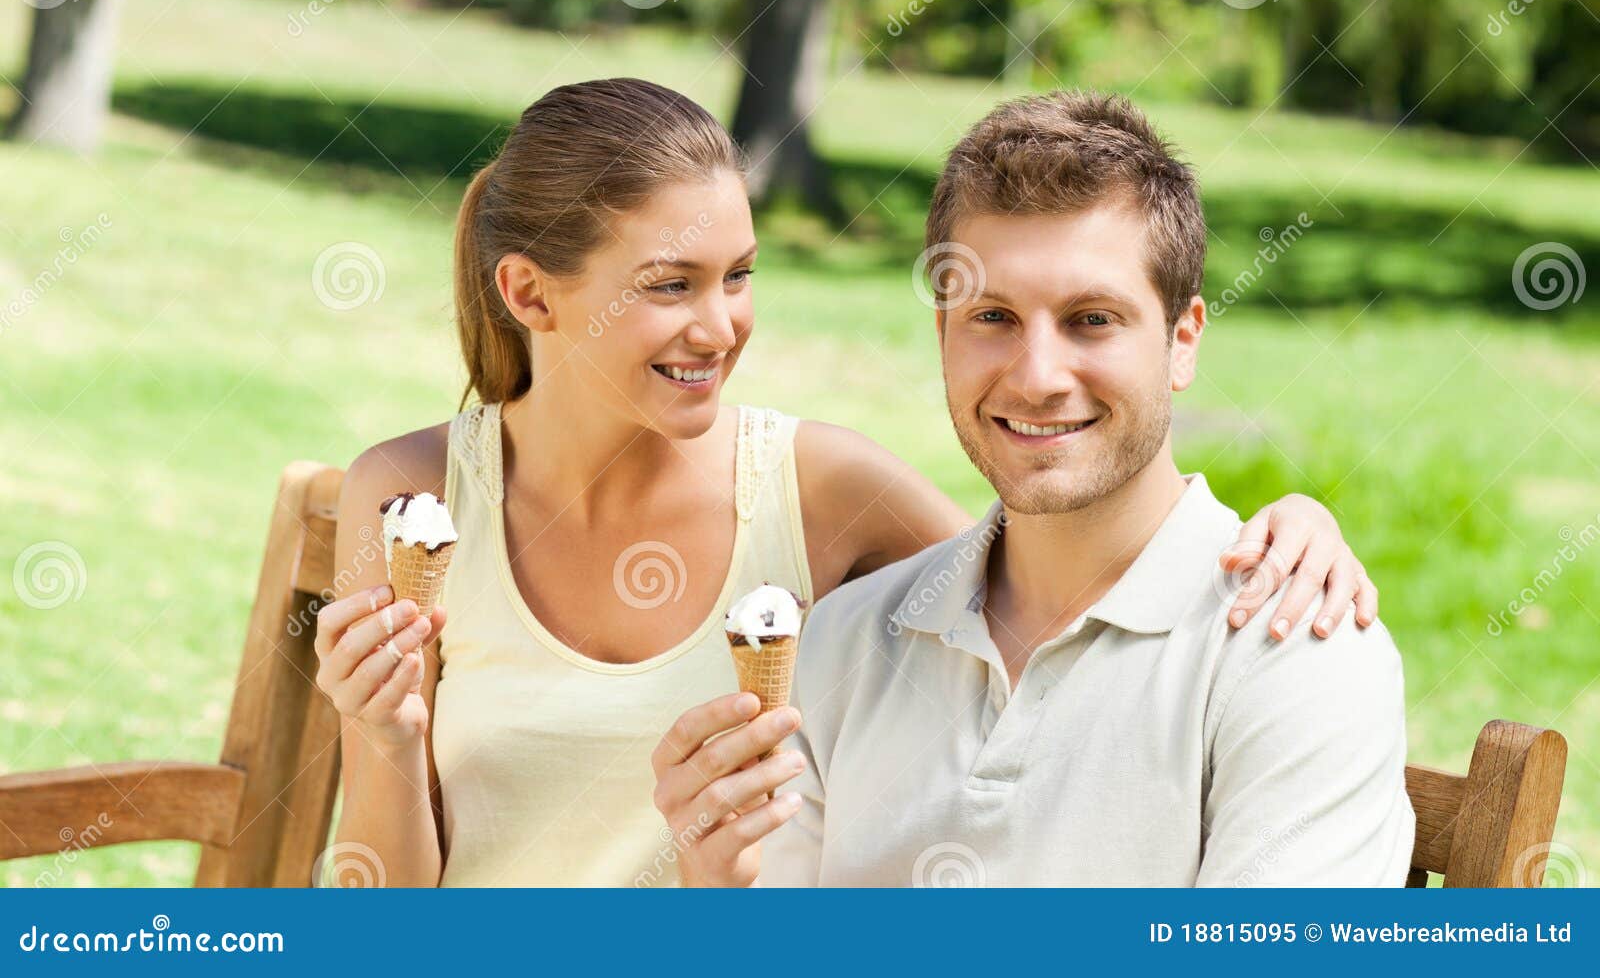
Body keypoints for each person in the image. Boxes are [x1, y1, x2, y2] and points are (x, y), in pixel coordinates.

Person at [311, 78, 1380, 888]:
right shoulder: (420, 498)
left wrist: (1282, 529)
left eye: (737, 277)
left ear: (1183, 337)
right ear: (529, 296)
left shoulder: (821, 507)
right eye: (669, 284)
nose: (719, 324)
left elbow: (1054, 549)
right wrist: (383, 732)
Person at [653, 89, 1413, 887]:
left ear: (1181, 341)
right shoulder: (843, 644)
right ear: (943, 333)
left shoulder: (1293, 655)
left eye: (1091, 319)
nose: (1038, 377)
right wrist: (718, 892)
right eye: (993, 318)